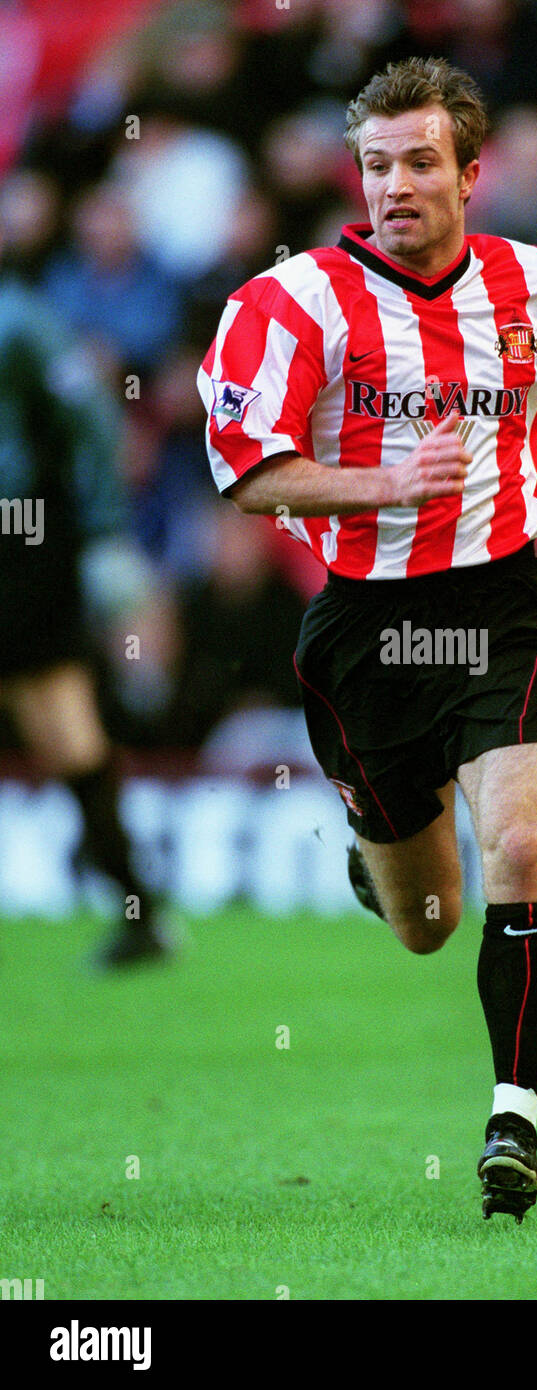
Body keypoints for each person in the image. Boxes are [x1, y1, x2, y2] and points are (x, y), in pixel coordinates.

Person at [198, 57, 537, 1222]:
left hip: (504, 605)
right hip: (368, 635)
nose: (394, 185)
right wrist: (388, 478)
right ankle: (379, 857)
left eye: (419, 162)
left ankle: (512, 1126)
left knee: (522, 852)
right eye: (375, 164)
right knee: (428, 925)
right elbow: (249, 480)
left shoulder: (533, 283)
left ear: (471, 174)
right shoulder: (288, 305)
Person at [0, 267, 172, 969]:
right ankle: (140, 908)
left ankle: (140, 910)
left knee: (64, 728)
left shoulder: (20, 320)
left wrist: (103, 531)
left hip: (23, 543)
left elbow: (94, 419)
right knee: (63, 732)